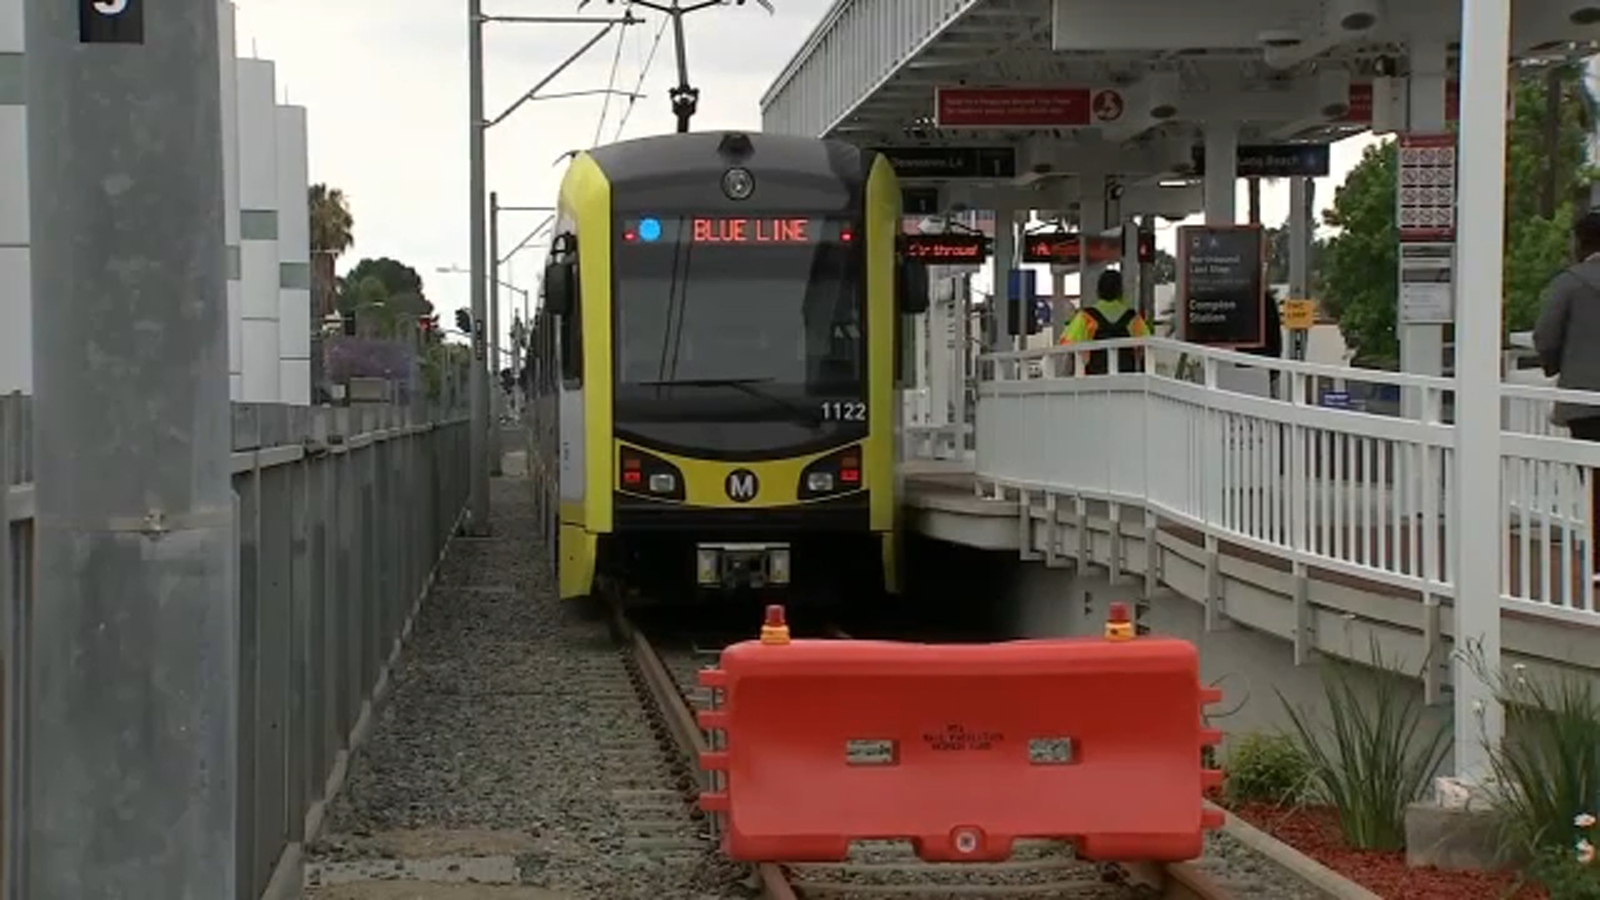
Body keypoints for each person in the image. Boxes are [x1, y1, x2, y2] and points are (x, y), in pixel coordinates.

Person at [1533, 209, 1600, 575]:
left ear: (1580, 242)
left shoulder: (1570, 283)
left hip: (1584, 400)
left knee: (1592, 480)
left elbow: (1546, 335)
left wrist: (1556, 365)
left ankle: (1599, 563)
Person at [1059, 268, 1151, 374]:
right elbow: (1145, 348)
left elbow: (1067, 346)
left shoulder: (1086, 317)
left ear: (1098, 291)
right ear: (1120, 291)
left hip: (1096, 381)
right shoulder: (1133, 318)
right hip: (1126, 380)